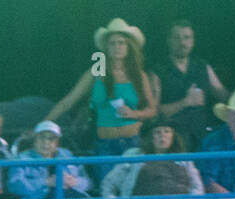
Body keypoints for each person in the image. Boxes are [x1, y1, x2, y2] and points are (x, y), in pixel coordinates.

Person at [47, 17, 157, 181]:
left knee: (132, 192)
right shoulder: (95, 74)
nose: (117, 47)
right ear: (106, 47)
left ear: (128, 47)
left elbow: (152, 110)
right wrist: (44, 123)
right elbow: (68, 102)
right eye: (112, 43)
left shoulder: (138, 76)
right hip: (105, 143)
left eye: (121, 43)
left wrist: (134, 114)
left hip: (132, 143)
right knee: (107, 190)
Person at [152, 21, 229, 144]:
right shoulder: (158, 71)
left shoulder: (202, 66)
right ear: (169, 41)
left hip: (201, 138)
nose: (182, 42)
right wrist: (185, 102)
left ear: (193, 41)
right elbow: (153, 112)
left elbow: (223, 96)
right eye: (177, 38)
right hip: (171, 142)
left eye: (186, 38)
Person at [100, 116, 204, 197]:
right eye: (157, 132)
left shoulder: (183, 159)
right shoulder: (134, 155)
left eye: (167, 131)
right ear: (150, 136)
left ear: (173, 136)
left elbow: (197, 187)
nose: (162, 135)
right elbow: (109, 184)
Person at [7, 120, 90, 198]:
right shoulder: (22, 159)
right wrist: (47, 182)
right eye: (42, 138)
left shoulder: (67, 155)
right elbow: (14, 186)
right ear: (35, 140)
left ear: (57, 142)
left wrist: (74, 182)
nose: (46, 142)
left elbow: (89, 183)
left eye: (51, 138)